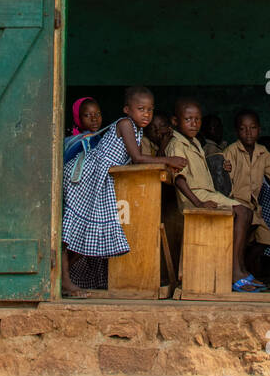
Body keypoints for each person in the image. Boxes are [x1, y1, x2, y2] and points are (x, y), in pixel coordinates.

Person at [61, 85, 185, 297]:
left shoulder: (137, 130)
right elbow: (138, 158)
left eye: (150, 109)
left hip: (100, 179)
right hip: (86, 178)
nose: (146, 114)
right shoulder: (125, 124)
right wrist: (169, 159)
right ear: (127, 110)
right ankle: (63, 281)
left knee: (84, 232)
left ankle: (63, 279)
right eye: (141, 109)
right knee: (76, 231)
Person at [166, 98, 262, 292]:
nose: (194, 124)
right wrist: (198, 202)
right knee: (243, 213)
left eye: (197, 119)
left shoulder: (194, 143)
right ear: (176, 121)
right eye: (188, 119)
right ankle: (235, 271)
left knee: (247, 213)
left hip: (207, 194)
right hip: (195, 197)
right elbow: (179, 179)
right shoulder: (177, 145)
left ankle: (240, 268)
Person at [222, 110, 270, 261]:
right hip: (235, 203)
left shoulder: (262, 152)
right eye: (243, 129)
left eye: (253, 128)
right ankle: (238, 268)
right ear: (237, 131)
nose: (248, 133)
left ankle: (246, 267)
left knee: (266, 238)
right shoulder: (231, 151)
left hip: (253, 206)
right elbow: (223, 180)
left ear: (259, 130)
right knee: (241, 240)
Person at [200, 111, 230, 194]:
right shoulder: (211, 150)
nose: (217, 130)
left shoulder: (222, 147)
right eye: (212, 127)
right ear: (203, 131)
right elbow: (219, 182)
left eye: (219, 126)